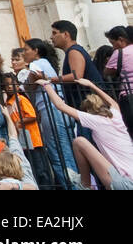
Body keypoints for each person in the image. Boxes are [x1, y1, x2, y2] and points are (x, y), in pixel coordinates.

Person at [37, 77, 133, 190]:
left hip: (124, 183)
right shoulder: (116, 116)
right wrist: (92, 85)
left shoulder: (95, 120)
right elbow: (112, 102)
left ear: (89, 111)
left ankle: (85, 184)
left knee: (79, 141)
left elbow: (61, 106)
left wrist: (46, 85)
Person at [22, 38, 79, 187]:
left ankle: (72, 186)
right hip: (59, 109)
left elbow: (33, 82)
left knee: (58, 154)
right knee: (67, 150)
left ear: (36, 51)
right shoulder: (46, 63)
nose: (24, 53)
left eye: (26, 49)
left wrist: (28, 83)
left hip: (50, 109)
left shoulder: (36, 64)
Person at [102, 26, 133, 133]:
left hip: (129, 96)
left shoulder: (119, 53)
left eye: (113, 43)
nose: (113, 47)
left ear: (121, 40)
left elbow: (107, 72)